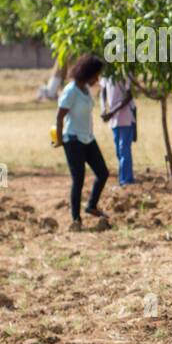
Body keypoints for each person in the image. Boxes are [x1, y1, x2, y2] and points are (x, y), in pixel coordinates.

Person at [53, 55, 111, 232]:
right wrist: (60, 139)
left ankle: (91, 205)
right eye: (96, 75)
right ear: (88, 74)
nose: (97, 79)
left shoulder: (85, 89)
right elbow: (60, 115)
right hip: (73, 140)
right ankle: (76, 220)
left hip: (88, 138)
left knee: (103, 172)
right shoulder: (71, 91)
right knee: (78, 179)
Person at [99, 74, 136, 186]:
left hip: (125, 117)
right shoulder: (107, 75)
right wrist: (103, 109)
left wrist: (112, 112)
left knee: (123, 149)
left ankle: (126, 180)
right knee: (119, 152)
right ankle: (123, 179)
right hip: (114, 120)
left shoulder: (124, 72)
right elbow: (103, 92)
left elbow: (128, 96)